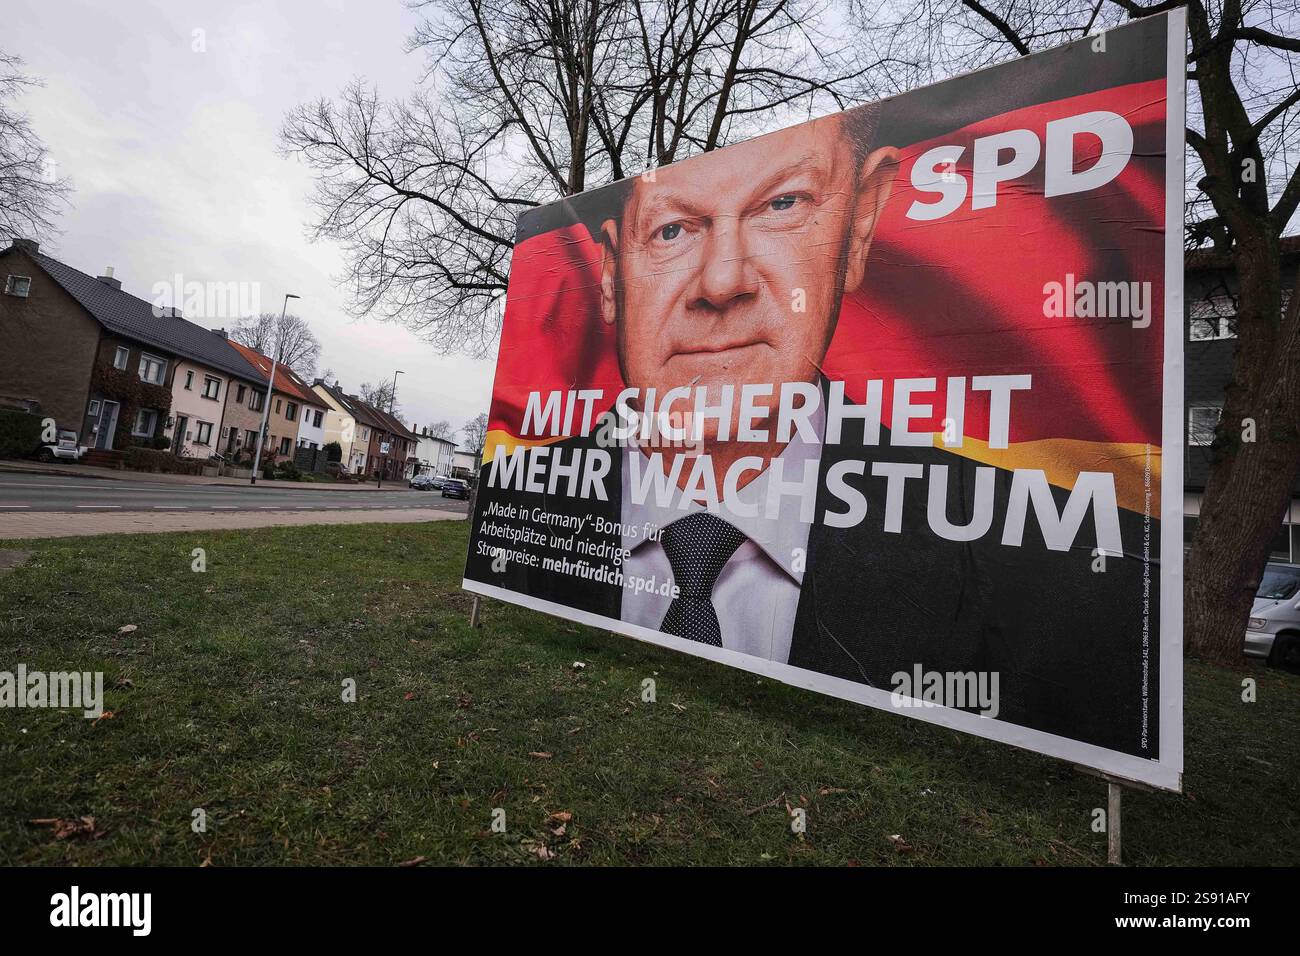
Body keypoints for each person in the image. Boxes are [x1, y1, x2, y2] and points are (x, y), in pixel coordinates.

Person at [468, 103, 1152, 755]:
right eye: (673, 230)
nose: (724, 280)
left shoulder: (1051, 568)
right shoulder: (519, 494)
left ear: (860, 226)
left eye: (782, 205)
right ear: (613, 271)